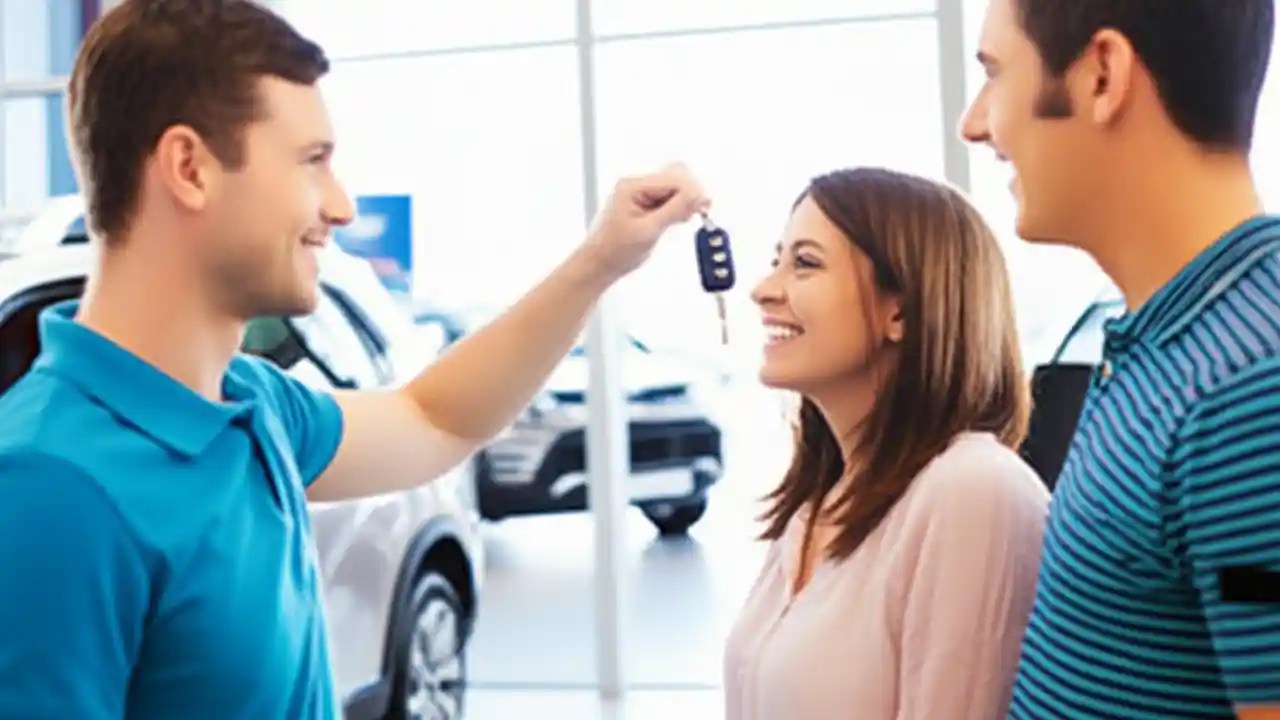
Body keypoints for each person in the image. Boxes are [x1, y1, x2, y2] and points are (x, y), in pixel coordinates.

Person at [0, 2, 708, 718]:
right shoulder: (49, 482)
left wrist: (600, 262)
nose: (340, 206)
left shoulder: (251, 404)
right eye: (313, 161)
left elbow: (435, 419)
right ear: (190, 168)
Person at [961, 0, 1280, 718]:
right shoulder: (1173, 338)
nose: (974, 123)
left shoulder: (1250, 393)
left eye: (995, 74)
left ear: (1102, 75)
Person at [722, 167, 1050, 719]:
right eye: (777, 260)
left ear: (900, 308)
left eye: (804, 263)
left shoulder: (973, 490)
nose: (762, 289)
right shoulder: (819, 502)